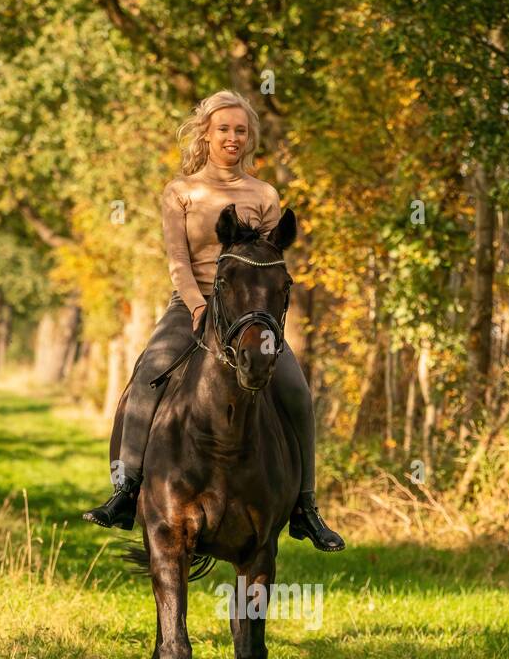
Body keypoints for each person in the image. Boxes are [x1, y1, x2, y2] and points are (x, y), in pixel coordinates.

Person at [82, 90, 344, 552]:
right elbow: (179, 261)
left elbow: (266, 260)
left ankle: (305, 506)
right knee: (147, 376)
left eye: (240, 130)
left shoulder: (263, 194)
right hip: (192, 305)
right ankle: (126, 490)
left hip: (247, 314)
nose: (232, 137)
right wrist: (198, 307)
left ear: (250, 138)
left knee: (297, 392)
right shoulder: (181, 192)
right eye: (223, 128)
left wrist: (254, 314)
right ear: (206, 134)